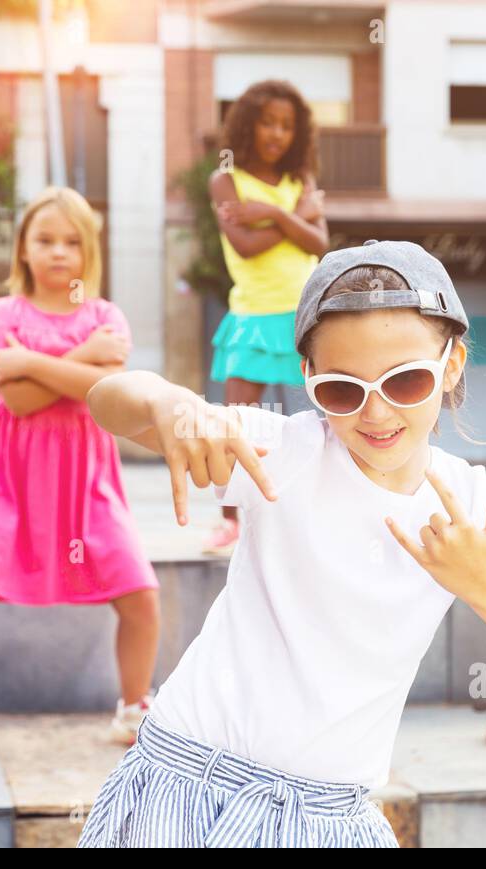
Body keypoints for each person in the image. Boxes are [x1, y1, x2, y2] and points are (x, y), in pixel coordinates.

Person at [77, 241, 486, 848]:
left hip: (330, 818)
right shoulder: (282, 451)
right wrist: (171, 402)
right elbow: (107, 402)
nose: (376, 411)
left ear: (452, 364)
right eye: (343, 389)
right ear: (308, 377)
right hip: (188, 783)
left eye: (407, 380)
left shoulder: (470, 506)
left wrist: (483, 587)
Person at [0, 187, 161, 758]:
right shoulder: (5, 314)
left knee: (141, 594)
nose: (58, 252)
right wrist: (77, 359)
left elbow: (102, 386)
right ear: (22, 248)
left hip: (85, 481)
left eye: (72, 242)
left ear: (89, 251)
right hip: (6, 480)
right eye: (44, 240)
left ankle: (135, 709)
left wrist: (35, 363)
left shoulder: (105, 318)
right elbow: (17, 401)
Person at [204, 79, 329, 556]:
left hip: (305, 315)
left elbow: (319, 244)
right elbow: (245, 246)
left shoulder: (303, 181)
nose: (277, 133)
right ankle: (231, 523)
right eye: (267, 123)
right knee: (237, 424)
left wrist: (273, 214)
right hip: (254, 315)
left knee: (320, 418)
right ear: (247, 124)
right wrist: (295, 217)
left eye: (286, 126)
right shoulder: (226, 181)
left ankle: (314, 514)